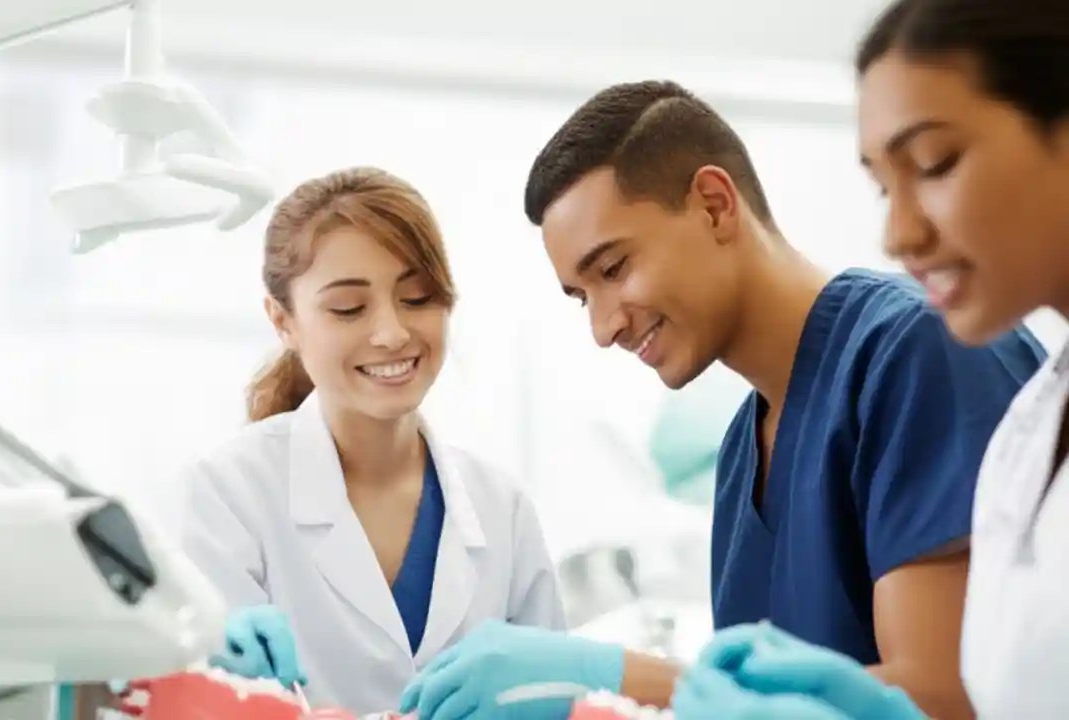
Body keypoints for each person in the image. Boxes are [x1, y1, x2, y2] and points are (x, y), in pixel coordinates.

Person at [399, 80, 1046, 720]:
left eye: (614, 268)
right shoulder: (744, 451)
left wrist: (622, 677)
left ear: (713, 204)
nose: (603, 327)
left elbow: (945, 698)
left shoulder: (917, 352)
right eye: (580, 296)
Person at [673, 0, 1069, 718]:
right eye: (886, 187)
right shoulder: (1029, 434)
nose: (898, 233)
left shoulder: (913, 352)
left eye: (935, 164)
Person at [177, 167, 566, 714]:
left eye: (417, 297)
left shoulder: (501, 507)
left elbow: (555, 698)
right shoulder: (230, 493)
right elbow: (201, 703)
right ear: (283, 320)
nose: (391, 333)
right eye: (348, 309)